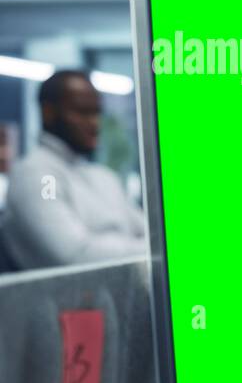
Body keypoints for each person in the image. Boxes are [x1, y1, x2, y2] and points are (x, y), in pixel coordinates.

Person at [1, 70, 147, 268]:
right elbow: (75, 255)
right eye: (82, 112)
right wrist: (149, 249)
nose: (94, 123)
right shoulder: (39, 175)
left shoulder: (102, 176)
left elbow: (153, 233)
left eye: (97, 113)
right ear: (48, 112)